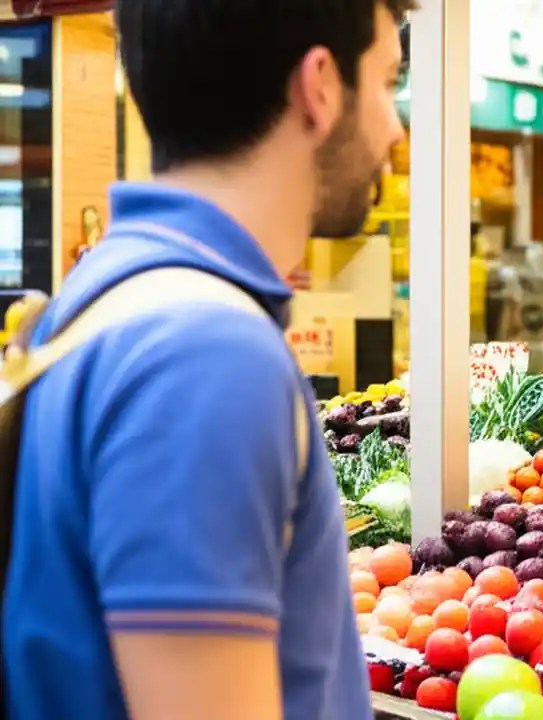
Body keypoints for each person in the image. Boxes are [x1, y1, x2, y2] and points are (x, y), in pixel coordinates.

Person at [2, 1, 413, 718]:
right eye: (386, 82)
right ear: (319, 86)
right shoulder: (205, 358)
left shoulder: (103, 297)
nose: (394, 131)